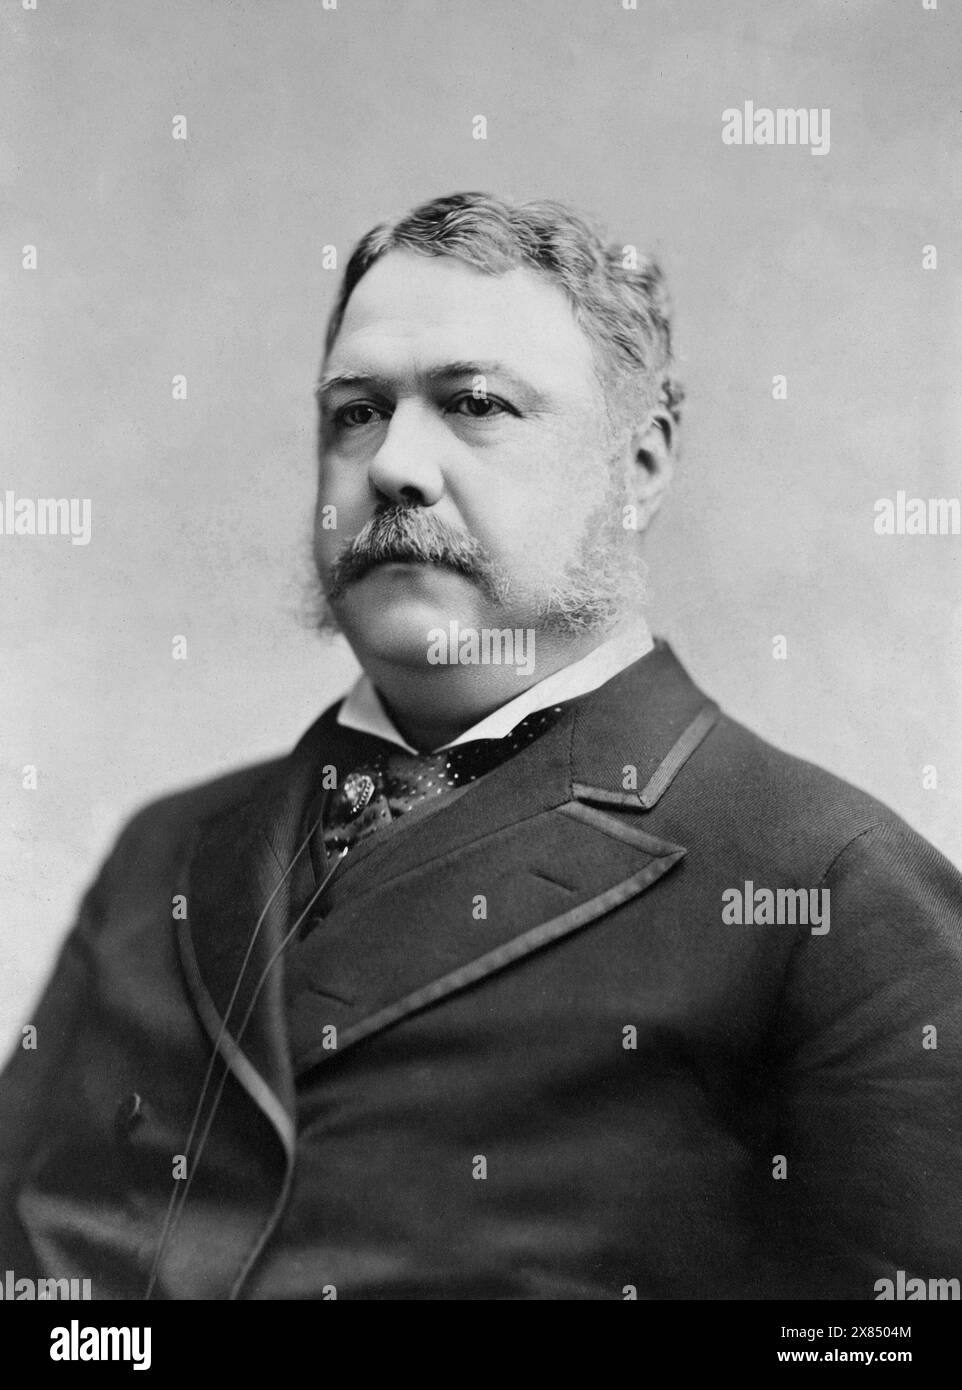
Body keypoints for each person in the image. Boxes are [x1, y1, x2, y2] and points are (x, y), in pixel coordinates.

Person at [2, 192, 960, 1301]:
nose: (393, 465)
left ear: (639, 465)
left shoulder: (827, 886)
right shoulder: (164, 854)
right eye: (356, 412)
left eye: (473, 404)